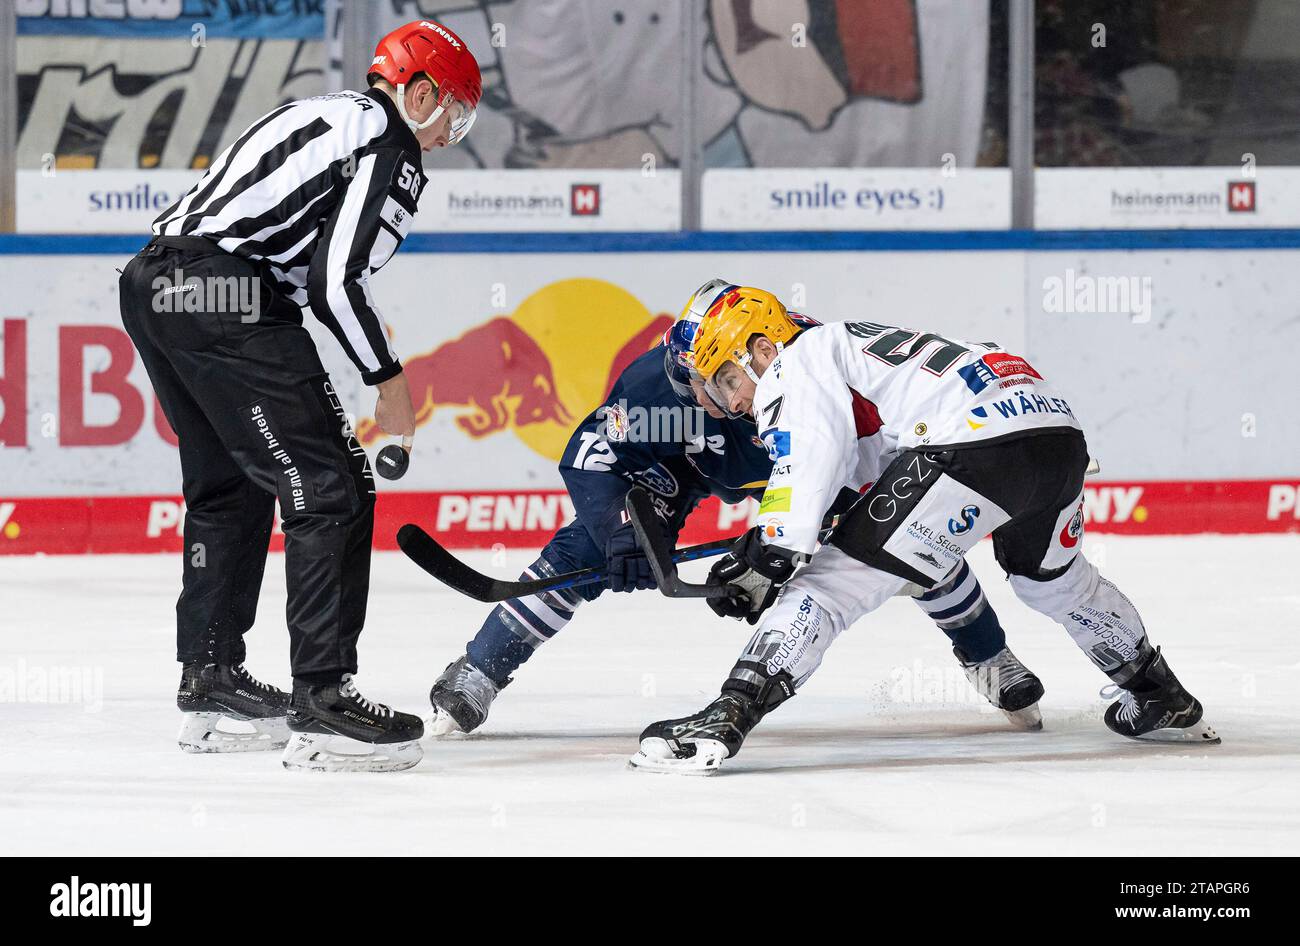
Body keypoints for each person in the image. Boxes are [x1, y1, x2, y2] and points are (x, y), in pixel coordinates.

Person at [631, 286, 1219, 774]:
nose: (731, 403)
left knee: (826, 588)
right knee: (1055, 583)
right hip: (1053, 434)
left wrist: (770, 552)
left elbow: (803, 459)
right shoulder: (849, 347)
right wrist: (819, 517)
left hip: (968, 445)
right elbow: (865, 457)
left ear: (761, 347)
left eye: (729, 380)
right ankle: (1157, 691)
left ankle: (724, 718)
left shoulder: (796, 359)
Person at [428, 280, 1044, 735]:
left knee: (904, 539)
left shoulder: (818, 374)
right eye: (692, 378)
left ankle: (989, 656)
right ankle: (478, 671)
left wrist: (784, 543)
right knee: (584, 551)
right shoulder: (660, 390)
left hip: (815, 464)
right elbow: (591, 456)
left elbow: (849, 464)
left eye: (711, 379)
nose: (694, 390)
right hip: (683, 464)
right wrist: (621, 533)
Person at [118, 20, 481, 773]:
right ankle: (325, 700)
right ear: (417, 92)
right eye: (454, 111)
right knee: (331, 486)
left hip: (154, 281)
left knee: (229, 490)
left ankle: (211, 680)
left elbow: (288, 254)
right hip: (227, 296)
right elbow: (336, 282)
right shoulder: (390, 140)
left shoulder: (321, 111)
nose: (452, 133)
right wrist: (391, 386)